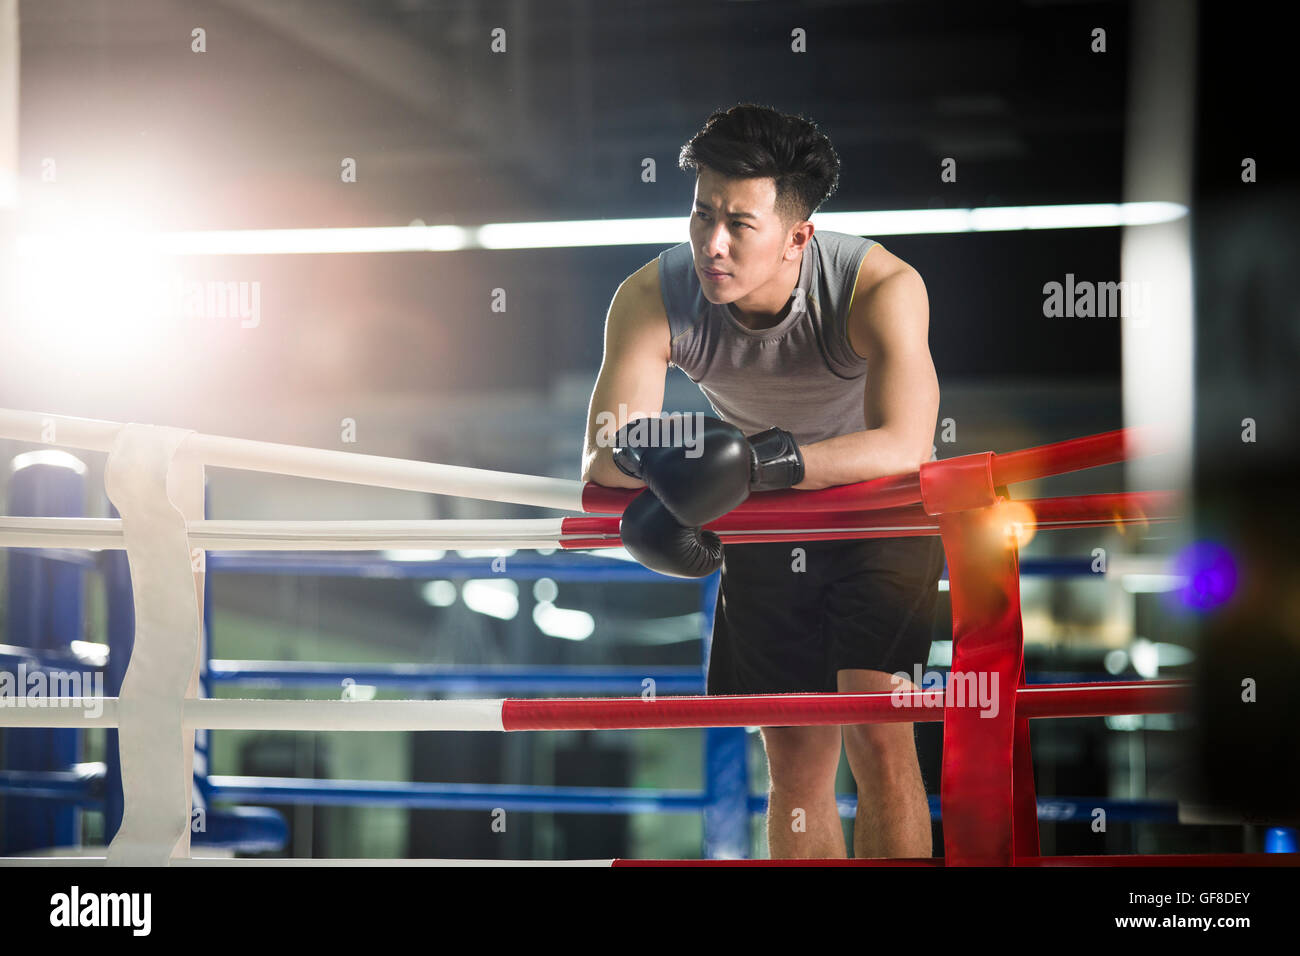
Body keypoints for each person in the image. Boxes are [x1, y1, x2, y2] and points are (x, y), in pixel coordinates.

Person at [580, 103, 944, 860]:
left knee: (879, 732)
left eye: (740, 224)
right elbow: (606, 454)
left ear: (797, 236)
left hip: (882, 508)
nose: (712, 243)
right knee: (795, 756)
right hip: (769, 516)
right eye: (701, 214)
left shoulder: (880, 287)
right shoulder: (652, 295)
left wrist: (756, 462)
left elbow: (907, 443)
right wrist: (684, 468)